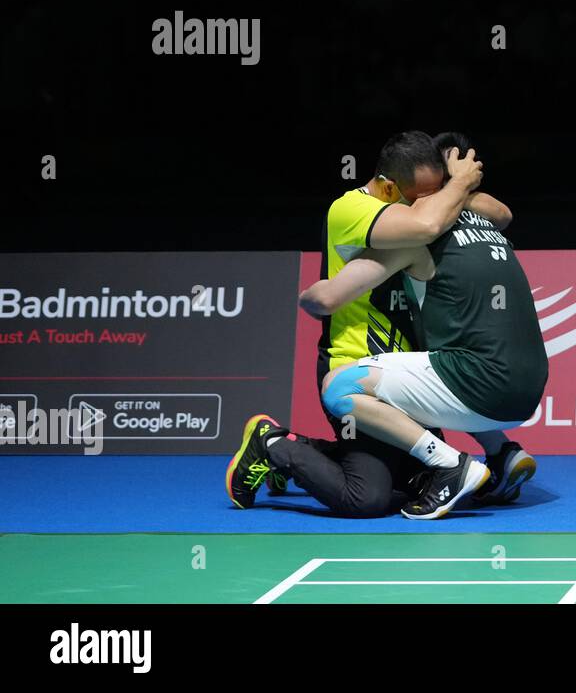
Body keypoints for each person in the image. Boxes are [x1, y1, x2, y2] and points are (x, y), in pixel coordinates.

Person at [225, 132, 533, 516]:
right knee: (366, 497)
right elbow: (427, 224)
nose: (431, 201)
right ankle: (272, 444)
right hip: (355, 367)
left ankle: (303, 446)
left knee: (416, 482)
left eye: (436, 191)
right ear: (389, 187)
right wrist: (460, 184)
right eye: (420, 193)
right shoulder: (352, 209)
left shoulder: (420, 204)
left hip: (407, 376)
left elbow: (499, 213)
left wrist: (457, 189)